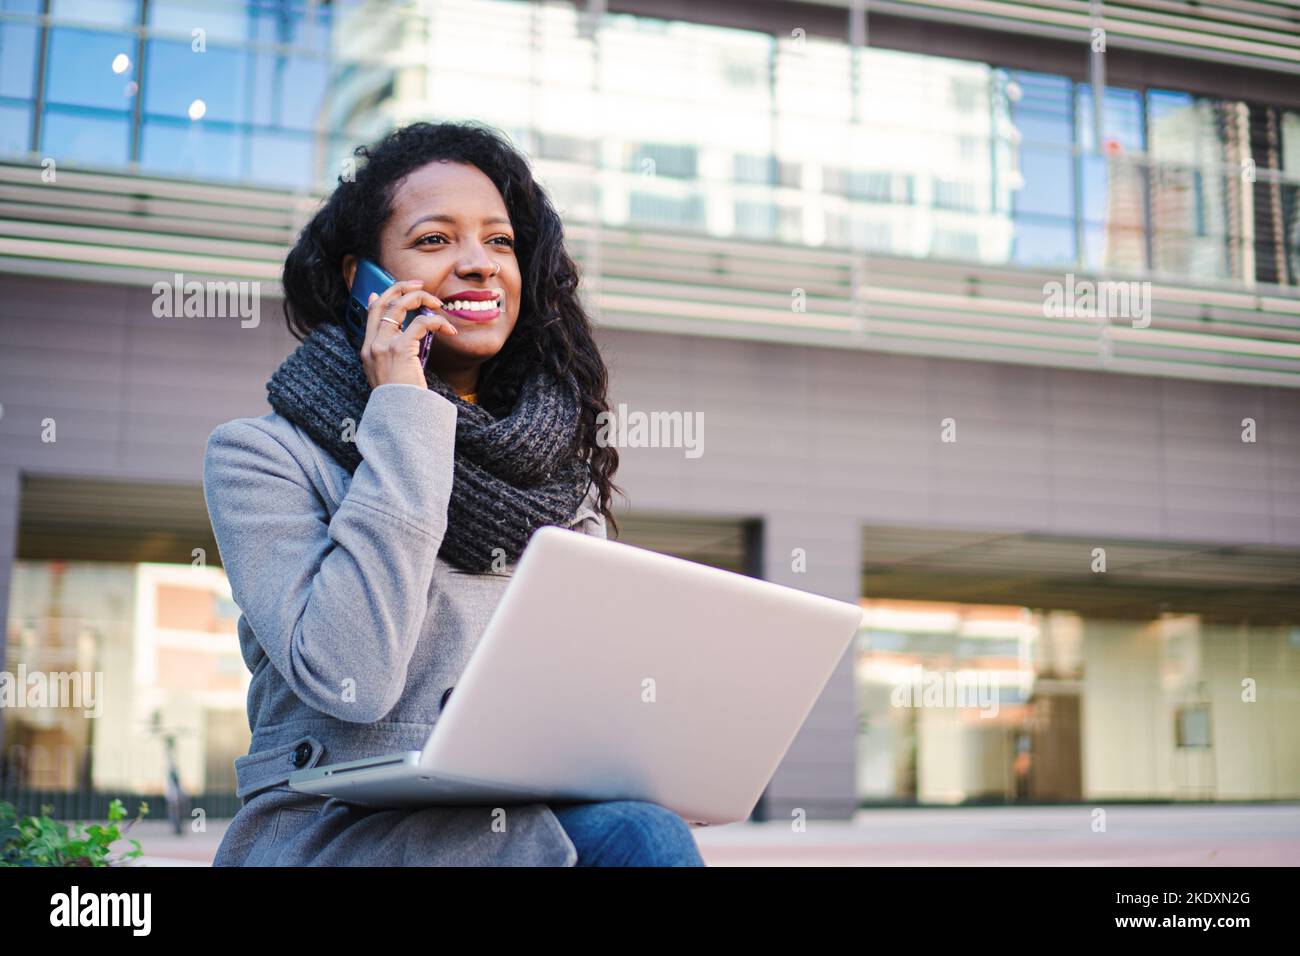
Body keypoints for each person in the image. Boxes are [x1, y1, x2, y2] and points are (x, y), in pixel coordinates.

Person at [203, 121, 705, 867]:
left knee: (642, 826)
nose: (478, 265)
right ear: (360, 278)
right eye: (436, 241)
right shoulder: (262, 456)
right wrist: (403, 411)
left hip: (511, 812)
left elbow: (570, 696)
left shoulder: (559, 475)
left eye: (499, 243)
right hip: (338, 825)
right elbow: (354, 678)